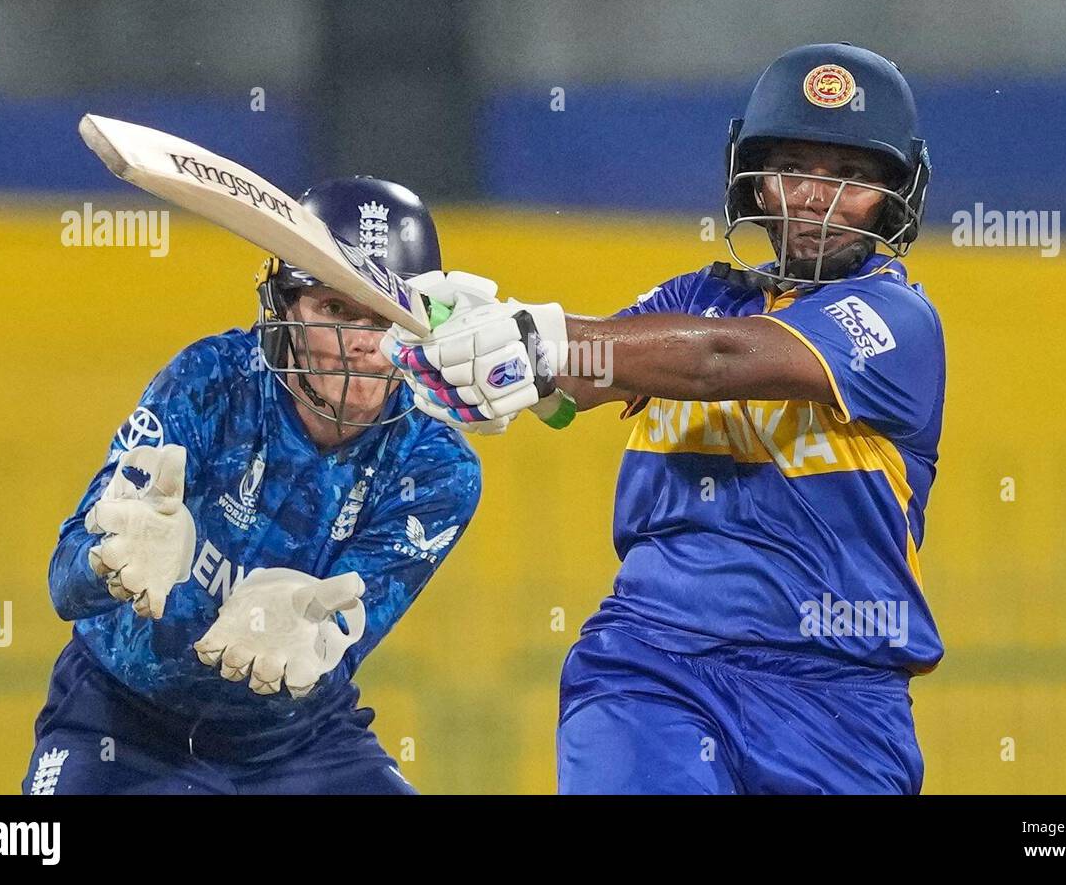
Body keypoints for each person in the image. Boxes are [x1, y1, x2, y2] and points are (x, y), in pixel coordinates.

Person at [387, 43, 946, 794]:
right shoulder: (696, 296)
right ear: (753, 181)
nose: (814, 197)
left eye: (848, 176)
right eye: (791, 168)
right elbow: (581, 382)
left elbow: (716, 358)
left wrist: (538, 339)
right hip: (653, 662)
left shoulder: (898, 323)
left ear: (896, 194)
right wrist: (476, 346)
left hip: (840, 697)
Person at [23, 176, 480, 795]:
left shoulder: (437, 468)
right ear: (287, 310)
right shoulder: (210, 381)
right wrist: (112, 559)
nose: (361, 347)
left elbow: (338, 644)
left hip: (297, 745)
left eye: (386, 316)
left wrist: (314, 633)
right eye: (336, 309)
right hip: (120, 722)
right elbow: (64, 583)